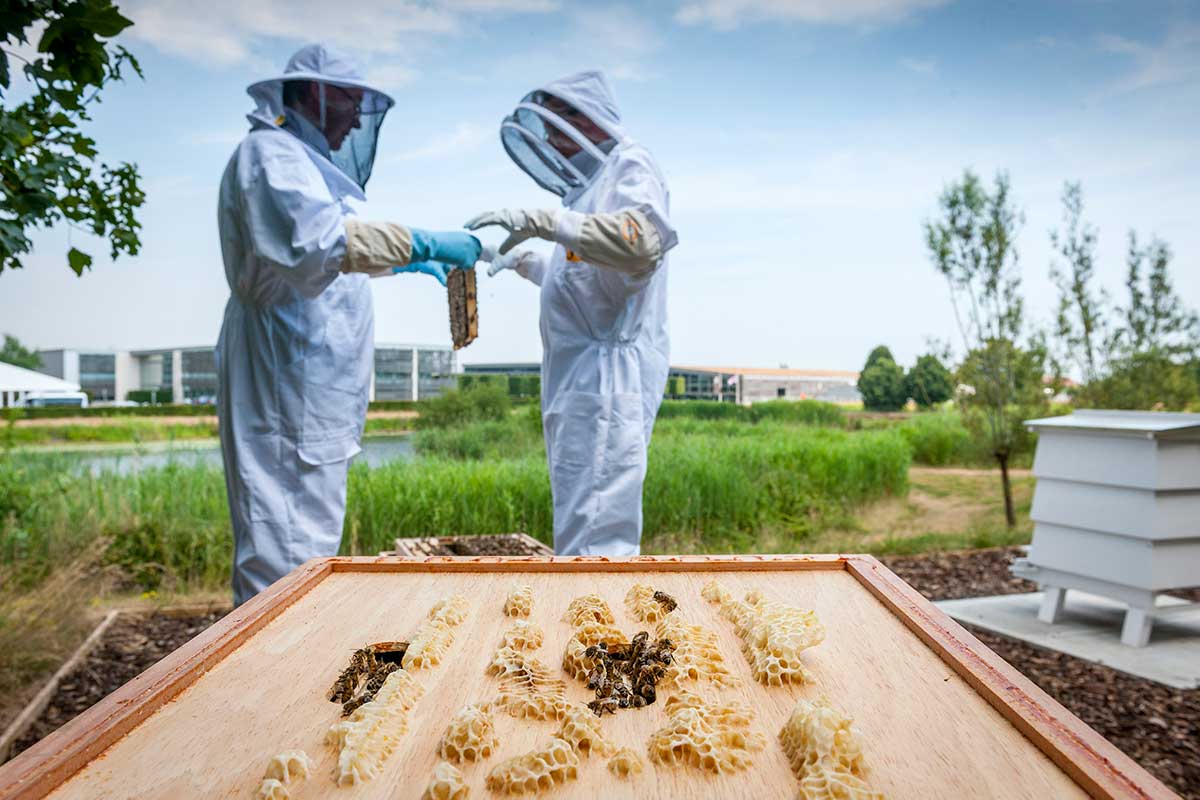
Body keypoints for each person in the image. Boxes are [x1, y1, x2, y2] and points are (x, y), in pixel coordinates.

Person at [216, 44, 482, 605]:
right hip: (285, 387)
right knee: (283, 557)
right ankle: (268, 684)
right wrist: (421, 241)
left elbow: (331, 260)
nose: (358, 119)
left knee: (305, 549)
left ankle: (288, 673)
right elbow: (321, 246)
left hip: (304, 392)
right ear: (315, 95)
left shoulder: (298, 168)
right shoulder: (271, 157)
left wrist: (406, 260)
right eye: (350, 103)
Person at [467, 70, 678, 556]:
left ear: (591, 120)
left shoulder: (631, 166)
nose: (554, 142)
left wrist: (546, 222)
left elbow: (640, 243)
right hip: (580, 381)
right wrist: (520, 261)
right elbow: (590, 284)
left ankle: (599, 631)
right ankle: (586, 626)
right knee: (580, 525)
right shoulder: (592, 188)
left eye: (560, 124)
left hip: (604, 386)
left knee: (598, 539)